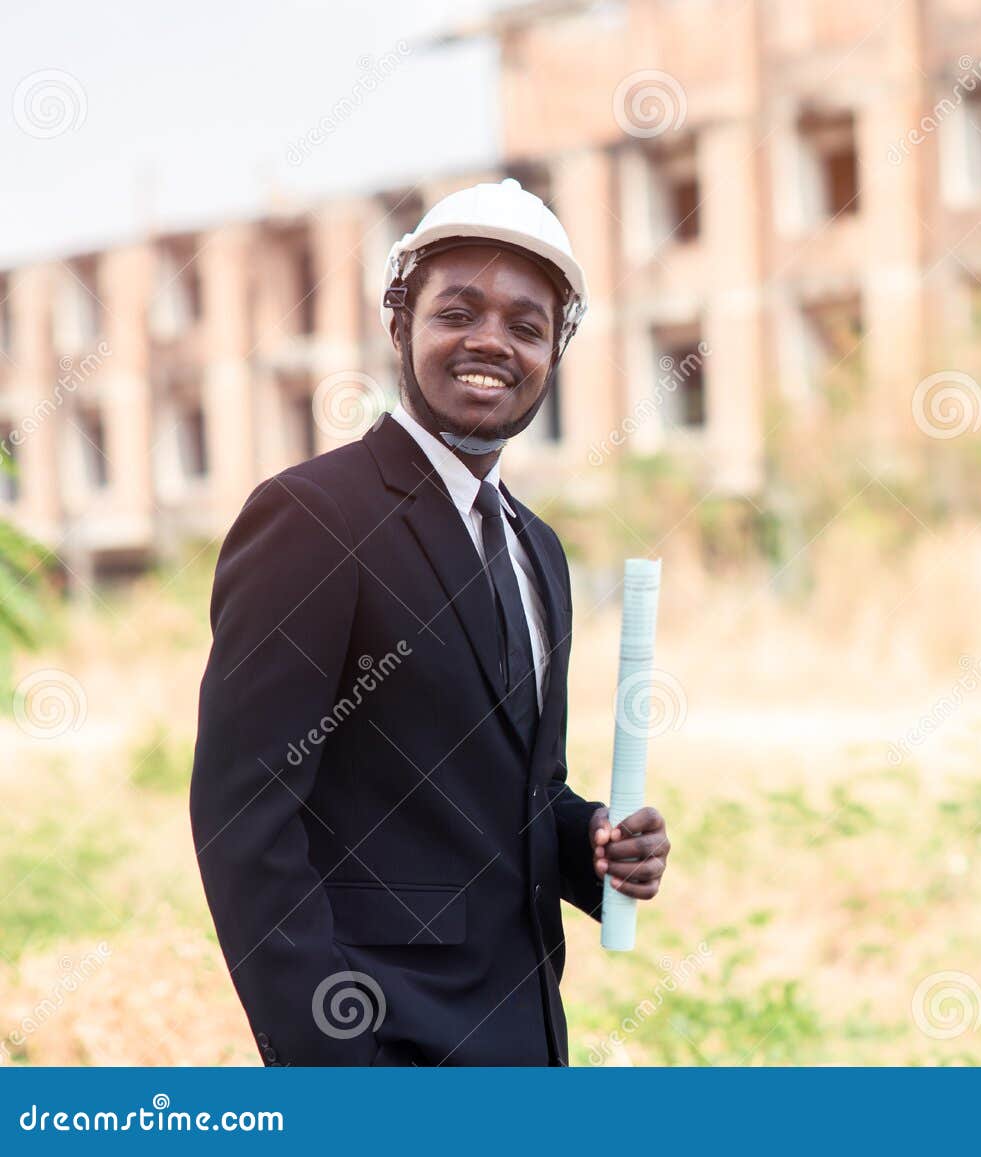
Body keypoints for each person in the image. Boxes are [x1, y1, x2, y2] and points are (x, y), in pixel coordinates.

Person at [189, 179, 671, 1066]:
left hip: (522, 1042)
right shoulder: (311, 516)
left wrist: (592, 844)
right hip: (382, 1047)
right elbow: (244, 824)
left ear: (553, 354)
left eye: (527, 326)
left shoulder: (540, 550)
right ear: (400, 325)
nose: (493, 340)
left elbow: (514, 790)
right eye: (460, 311)